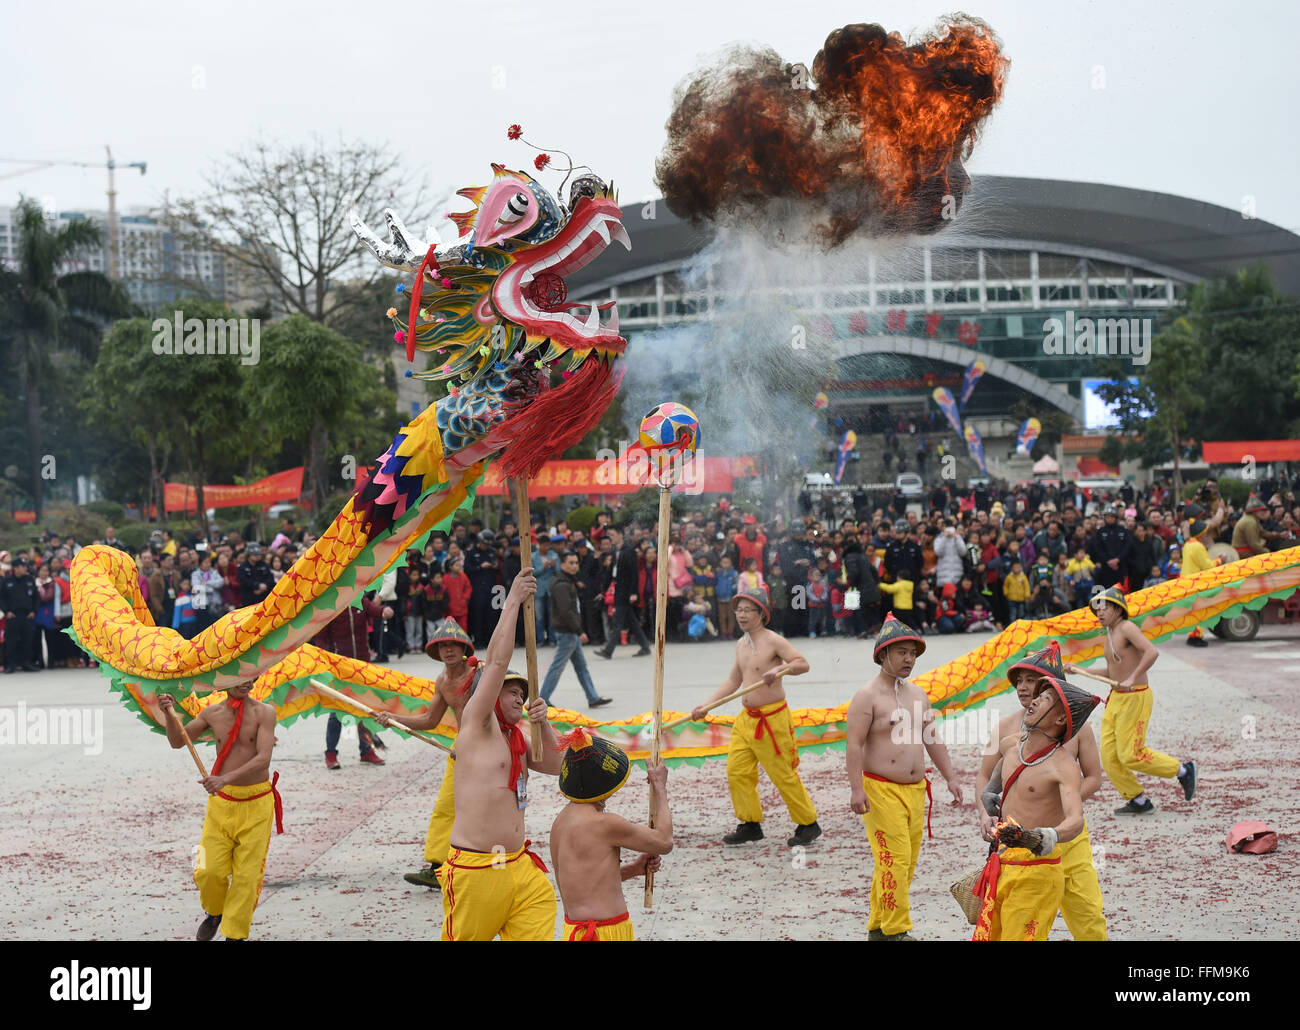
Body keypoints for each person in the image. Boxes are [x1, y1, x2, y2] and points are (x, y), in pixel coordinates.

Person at [433, 569, 564, 940]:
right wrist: (512, 602)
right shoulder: (477, 723)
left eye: (522, 692)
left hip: (520, 868)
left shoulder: (519, 739)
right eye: (511, 691)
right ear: (488, 696)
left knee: (541, 912)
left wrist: (544, 724)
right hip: (476, 871)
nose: (519, 696)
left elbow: (556, 767)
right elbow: (496, 664)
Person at [975, 643, 1106, 940]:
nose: (1023, 688)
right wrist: (984, 814)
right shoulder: (1006, 732)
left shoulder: (1076, 730)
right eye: (1018, 681)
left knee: (1087, 914)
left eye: (1031, 681)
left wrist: (1054, 807)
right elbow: (985, 778)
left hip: (1066, 838)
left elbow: (1094, 777)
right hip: (1015, 842)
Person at [846, 615, 962, 940]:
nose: (909, 659)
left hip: (914, 790)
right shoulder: (866, 696)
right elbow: (853, 745)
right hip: (880, 789)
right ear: (882, 655)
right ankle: (897, 930)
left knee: (901, 861)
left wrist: (950, 777)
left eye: (912, 653)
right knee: (894, 858)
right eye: (901, 652)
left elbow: (931, 738)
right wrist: (857, 789)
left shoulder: (918, 695)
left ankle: (878, 928)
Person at [689, 588, 820, 847]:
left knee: (782, 773)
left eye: (748, 610)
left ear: (762, 613)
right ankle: (750, 824)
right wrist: (706, 706)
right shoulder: (741, 644)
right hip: (746, 719)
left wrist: (782, 669)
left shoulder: (773, 640)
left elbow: (802, 663)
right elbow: (733, 681)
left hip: (772, 719)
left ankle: (808, 823)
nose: (742, 615)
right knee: (737, 771)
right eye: (739, 610)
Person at [158, 680, 282, 941]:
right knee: (207, 870)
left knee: (247, 878)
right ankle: (214, 913)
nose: (246, 683)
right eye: (239, 677)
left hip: (257, 804)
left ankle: (234, 934)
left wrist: (224, 778)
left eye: (251, 677)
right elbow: (177, 741)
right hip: (221, 805)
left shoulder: (265, 712)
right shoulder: (212, 713)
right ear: (226, 680)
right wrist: (169, 713)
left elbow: (263, 758)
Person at [1067, 587, 1196, 815]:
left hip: (1136, 697)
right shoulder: (1109, 635)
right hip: (1116, 698)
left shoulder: (1126, 627)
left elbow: (1151, 652)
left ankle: (1183, 770)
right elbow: (1112, 670)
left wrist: (1132, 677)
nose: (1100, 613)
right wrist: (1079, 670)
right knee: (1109, 757)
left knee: (1131, 754)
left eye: (1105, 608)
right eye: (1097, 609)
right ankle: (1137, 800)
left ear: (1118, 609)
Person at [374, 619, 479, 888]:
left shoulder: (479, 674)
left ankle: (482, 863)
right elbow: (430, 720)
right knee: (445, 807)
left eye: (453, 645)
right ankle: (438, 867)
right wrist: (393, 718)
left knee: (487, 805)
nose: (449, 650)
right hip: (460, 747)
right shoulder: (442, 681)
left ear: (463, 647)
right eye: (443, 646)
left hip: (486, 746)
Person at [550, 731, 672, 940]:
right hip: (604, 931)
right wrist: (660, 788)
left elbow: (585, 883)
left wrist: (634, 869)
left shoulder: (559, 824)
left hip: (574, 930)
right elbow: (664, 841)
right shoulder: (604, 824)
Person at [313, 596, 393, 769]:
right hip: (339, 667)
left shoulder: (361, 600)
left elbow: (374, 610)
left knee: (365, 710)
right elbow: (320, 637)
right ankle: (331, 753)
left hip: (362, 666)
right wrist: (323, 660)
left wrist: (384, 611)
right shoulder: (330, 604)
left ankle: (366, 751)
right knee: (337, 713)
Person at [541, 551, 611, 709]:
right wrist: (580, 631)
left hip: (570, 633)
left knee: (581, 667)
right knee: (557, 667)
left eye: (576, 563)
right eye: (570, 563)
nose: (574, 566)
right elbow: (567, 611)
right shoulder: (562, 585)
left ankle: (592, 697)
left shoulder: (567, 581)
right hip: (568, 633)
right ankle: (543, 698)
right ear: (563, 564)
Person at [597, 525, 652, 659]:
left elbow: (634, 573)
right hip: (618, 589)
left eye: (612, 534)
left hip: (626, 590)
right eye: (609, 535)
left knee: (617, 621)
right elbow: (610, 572)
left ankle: (608, 650)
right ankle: (645, 646)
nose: (610, 537)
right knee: (631, 620)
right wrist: (603, 591)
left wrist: (634, 593)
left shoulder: (629, 551)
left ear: (620, 534)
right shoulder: (615, 550)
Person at [1179, 517, 1217, 648]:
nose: (1206, 535)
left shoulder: (1187, 544)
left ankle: (1193, 635)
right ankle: (1196, 636)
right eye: (1205, 533)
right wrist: (1219, 561)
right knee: (1198, 611)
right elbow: (1207, 566)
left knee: (1192, 611)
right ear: (1201, 534)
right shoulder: (1198, 546)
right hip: (1196, 583)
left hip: (1186, 581)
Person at [2, 556, 40, 673]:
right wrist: (6, 611)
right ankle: (10, 665)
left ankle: (26, 663)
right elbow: (1, 598)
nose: (25, 569)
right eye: (22, 566)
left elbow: (36, 597)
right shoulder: (7, 581)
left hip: (27, 615)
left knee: (27, 640)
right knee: (11, 641)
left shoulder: (29, 580)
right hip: (12, 616)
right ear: (15, 568)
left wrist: (34, 610)